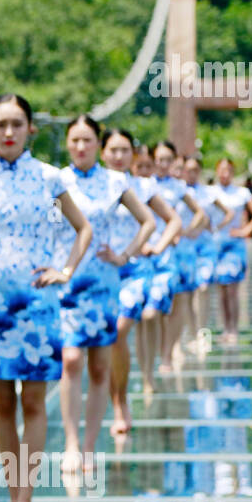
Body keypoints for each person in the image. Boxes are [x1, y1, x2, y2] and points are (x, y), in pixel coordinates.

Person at [0, 93, 92, 502]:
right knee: (2, 407)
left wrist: (66, 270)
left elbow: (83, 227)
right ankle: (11, 496)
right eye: (1, 124)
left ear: (31, 128)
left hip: (38, 304)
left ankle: (25, 498)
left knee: (33, 403)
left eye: (17, 124)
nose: (9, 133)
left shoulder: (49, 177)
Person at [55, 116, 155, 472]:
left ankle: (90, 446)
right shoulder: (56, 180)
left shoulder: (115, 181)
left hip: (103, 281)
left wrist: (125, 255)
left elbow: (149, 221)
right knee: (70, 360)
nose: (81, 147)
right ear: (67, 143)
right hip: (66, 281)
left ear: (98, 143)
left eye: (87, 140)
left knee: (99, 366)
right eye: (75, 140)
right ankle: (70, 442)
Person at [101, 131, 176, 434]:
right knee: (105, 340)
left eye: (124, 150)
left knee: (119, 331)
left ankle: (122, 402)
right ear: (102, 152)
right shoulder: (90, 186)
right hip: (98, 272)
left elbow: (170, 220)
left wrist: (155, 247)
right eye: (112, 150)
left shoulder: (143, 187)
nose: (118, 156)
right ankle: (116, 396)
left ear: (132, 154)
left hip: (134, 270)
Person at [151, 141, 208, 371]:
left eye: (167, 159)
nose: (163, 164)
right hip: (152, 251)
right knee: (157, 307)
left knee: (178, 303)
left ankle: (169, 350)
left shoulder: (178, 187)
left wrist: (187, 231)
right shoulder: (144, 185)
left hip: (177, 252)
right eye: (159, 159)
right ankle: (161, 350)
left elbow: (200, 214)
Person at [181, 156, 235, 355]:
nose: (191, 173)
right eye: (188, 170)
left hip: (205, 246)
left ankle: (202, 332)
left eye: (195, 169)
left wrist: (216, 227)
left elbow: (228, 212)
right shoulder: (179, 191)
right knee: (186, 292)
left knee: (203, 288)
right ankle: (191, 332)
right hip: (185, 247)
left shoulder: (208, 192)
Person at [211, 158, 252, 344]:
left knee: (232, 288)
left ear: (232, 172)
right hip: (216, 246)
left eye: (228, 170)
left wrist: (245, 231)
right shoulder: (211, 192)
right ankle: (225, 327)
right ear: (217, 171)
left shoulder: (241, 193)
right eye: (222, 170)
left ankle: (234, 328)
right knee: (222, 290)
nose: (225, 174)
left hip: (234, 245)